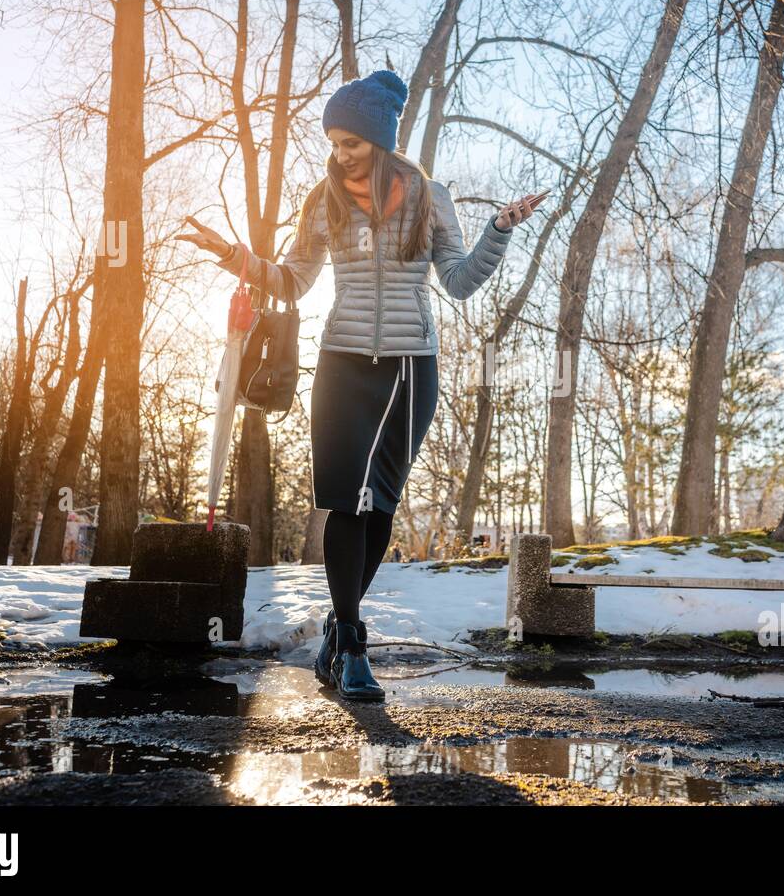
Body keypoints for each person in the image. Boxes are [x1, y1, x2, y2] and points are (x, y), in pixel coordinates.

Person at [178, 68, 544, 702]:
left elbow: (456, 281)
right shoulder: (322, 202)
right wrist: (235, 256)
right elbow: (293, 280)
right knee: (344, 501)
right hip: (342, 363)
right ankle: (351, 641)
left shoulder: (431, 197)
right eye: (334, 140)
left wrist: (499, 232)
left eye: (351, 141)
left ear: (379, 138)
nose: (340, 152)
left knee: (381, 506)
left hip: (409, 369)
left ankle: (337, 628)